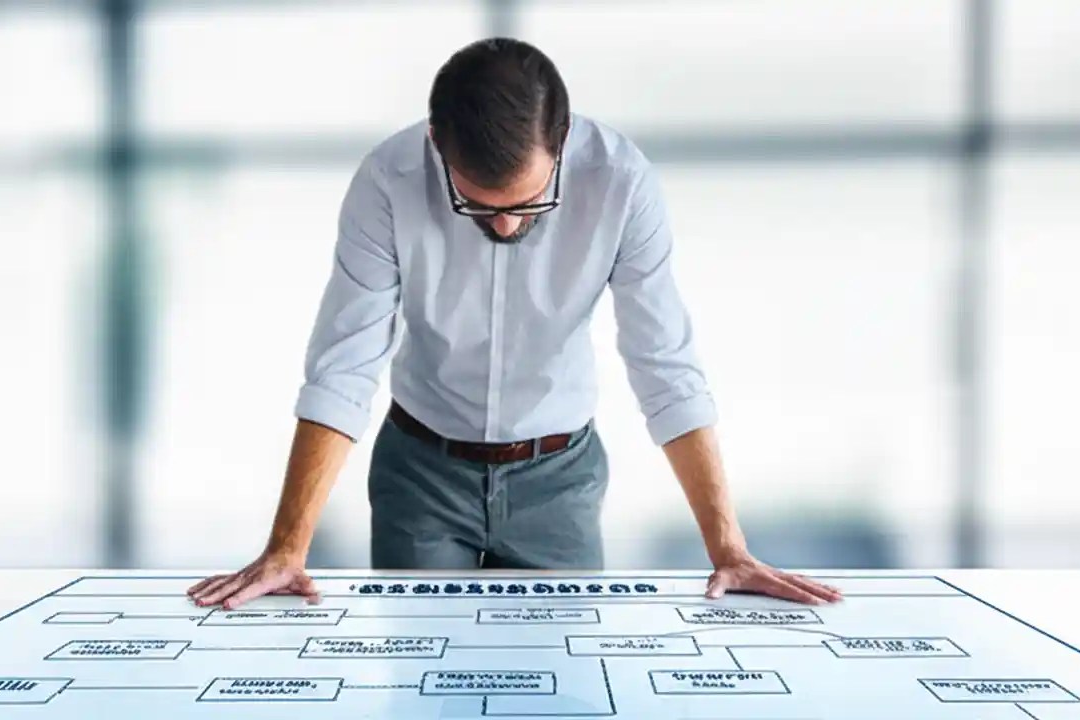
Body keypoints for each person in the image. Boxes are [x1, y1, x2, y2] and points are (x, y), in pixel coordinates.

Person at [187, 38, 841, 610]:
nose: (503, 224)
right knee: (421, 684)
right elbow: (344, 365)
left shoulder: (621, 181)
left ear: (562, 143)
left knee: (565, 688)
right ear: (436, 144)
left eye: (529, 202)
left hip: (559, 479)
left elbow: (664, 365)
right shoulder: (388, 180)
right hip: (421, 472)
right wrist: (285, 549)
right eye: (476, 202)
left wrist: (729, 548)